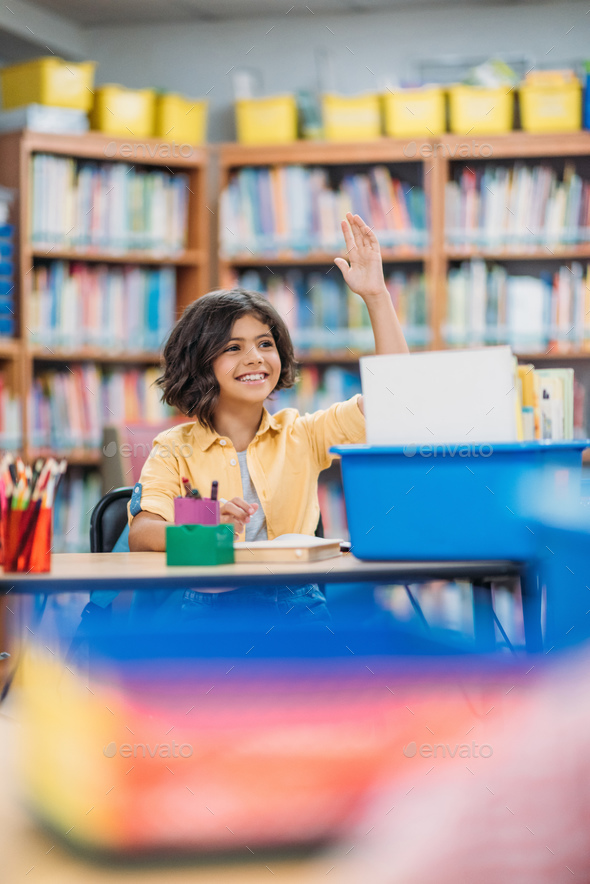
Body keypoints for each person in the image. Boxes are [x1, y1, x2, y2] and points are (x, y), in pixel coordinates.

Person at [128, 212, 409, 620]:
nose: (255, 357)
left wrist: (377, 296)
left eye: (265, 343)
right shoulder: (174, 449)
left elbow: (396, 399)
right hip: (206, 607)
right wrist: (203, 523)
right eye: (233, 348)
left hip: (298, 604)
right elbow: (142, 533)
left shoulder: (304, 433)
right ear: (199, 363)